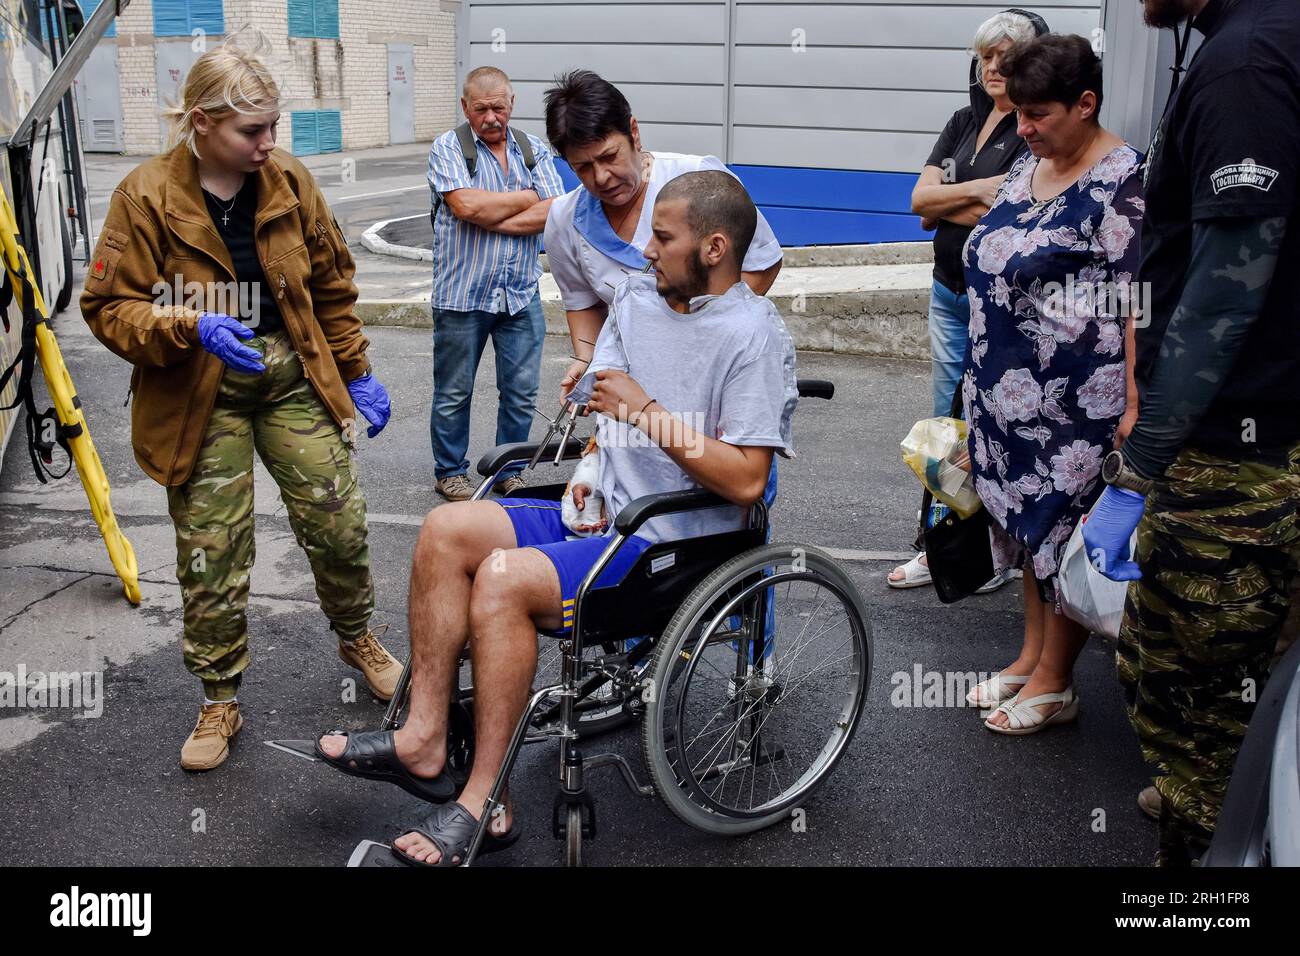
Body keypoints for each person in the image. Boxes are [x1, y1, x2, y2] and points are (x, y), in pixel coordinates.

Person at [313, 171, 798, 866]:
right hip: (607, 511)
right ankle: (423, 737)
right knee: (446, 530)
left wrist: (644, 413)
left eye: (663, 238)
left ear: (715, 248)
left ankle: (486, 802)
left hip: (679, 539)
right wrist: (597, 432)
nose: (646, 250)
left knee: (504, 580)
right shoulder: (639, 297)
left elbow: (749, 481)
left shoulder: (753, 335)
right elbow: (606, 400)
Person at [79, 40, 402, 771]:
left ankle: (357, 636)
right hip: (201, 391)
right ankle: (219, 696)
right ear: (200, 123)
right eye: (250, 131)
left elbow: (330, 284)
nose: (268, 144)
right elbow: (107, 306)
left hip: (290, 375)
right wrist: (185, 324)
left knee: (338, 518)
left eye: (272, 127)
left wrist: (354, 370)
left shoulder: (287, 180)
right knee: (212, 551)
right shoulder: (145, 196)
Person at [1083, 0, 1299, 865]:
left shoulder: (1246, 63)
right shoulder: (1262, 41)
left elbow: (1227, 287)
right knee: (1216, 675)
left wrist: (1139, 466)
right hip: (1256, 438)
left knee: (1187, 694)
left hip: (1237, 460)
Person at [960, 35, 1145, 733]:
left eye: (1038, 114)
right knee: (1024, 528)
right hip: (1004, 395)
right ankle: (1031, 654)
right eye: (1018, 113)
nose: (1024, 127)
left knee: (1061, 531)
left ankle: (1056, 682)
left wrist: (1132, 399)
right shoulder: (1030, 163)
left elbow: (1139, 299)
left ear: (1086, 103)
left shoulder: (1122, 180)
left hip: (1075, 405)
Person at [890, 8, 1048, 591]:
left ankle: (989, 551)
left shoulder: (1033, 128)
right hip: (947, 292)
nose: (992, 69)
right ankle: (941, 541)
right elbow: (917, 201)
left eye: (1005, 59)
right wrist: (974, 191)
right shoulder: (963, 120)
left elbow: (1006, 214)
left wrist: (950, 197)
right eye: (984, 58)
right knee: (943, 427)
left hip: (995, 302)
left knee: (988, 422)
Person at [541, 70, 783, 400]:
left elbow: (762, 262)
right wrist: (591, 362)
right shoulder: (564, 220)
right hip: (632, 387)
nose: (601, 177)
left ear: (634, 133)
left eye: (609, 157)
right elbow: (583, 304)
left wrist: (701, 338)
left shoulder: (699, 180)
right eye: (582, 167)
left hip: (713, 366)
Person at [427, 66, 566, 501]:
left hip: (519, 293)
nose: (491, 117)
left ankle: (510, 468)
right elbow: (465, 205)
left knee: (521, 392)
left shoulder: (532, 148)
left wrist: (496, 217)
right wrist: (526, 197)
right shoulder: (448, 147)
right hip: (462, 295)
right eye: (481, 108)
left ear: (512, 104)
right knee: (453, 392)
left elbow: (556, 208)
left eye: (499, 107)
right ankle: (450, 470)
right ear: (466, 106)